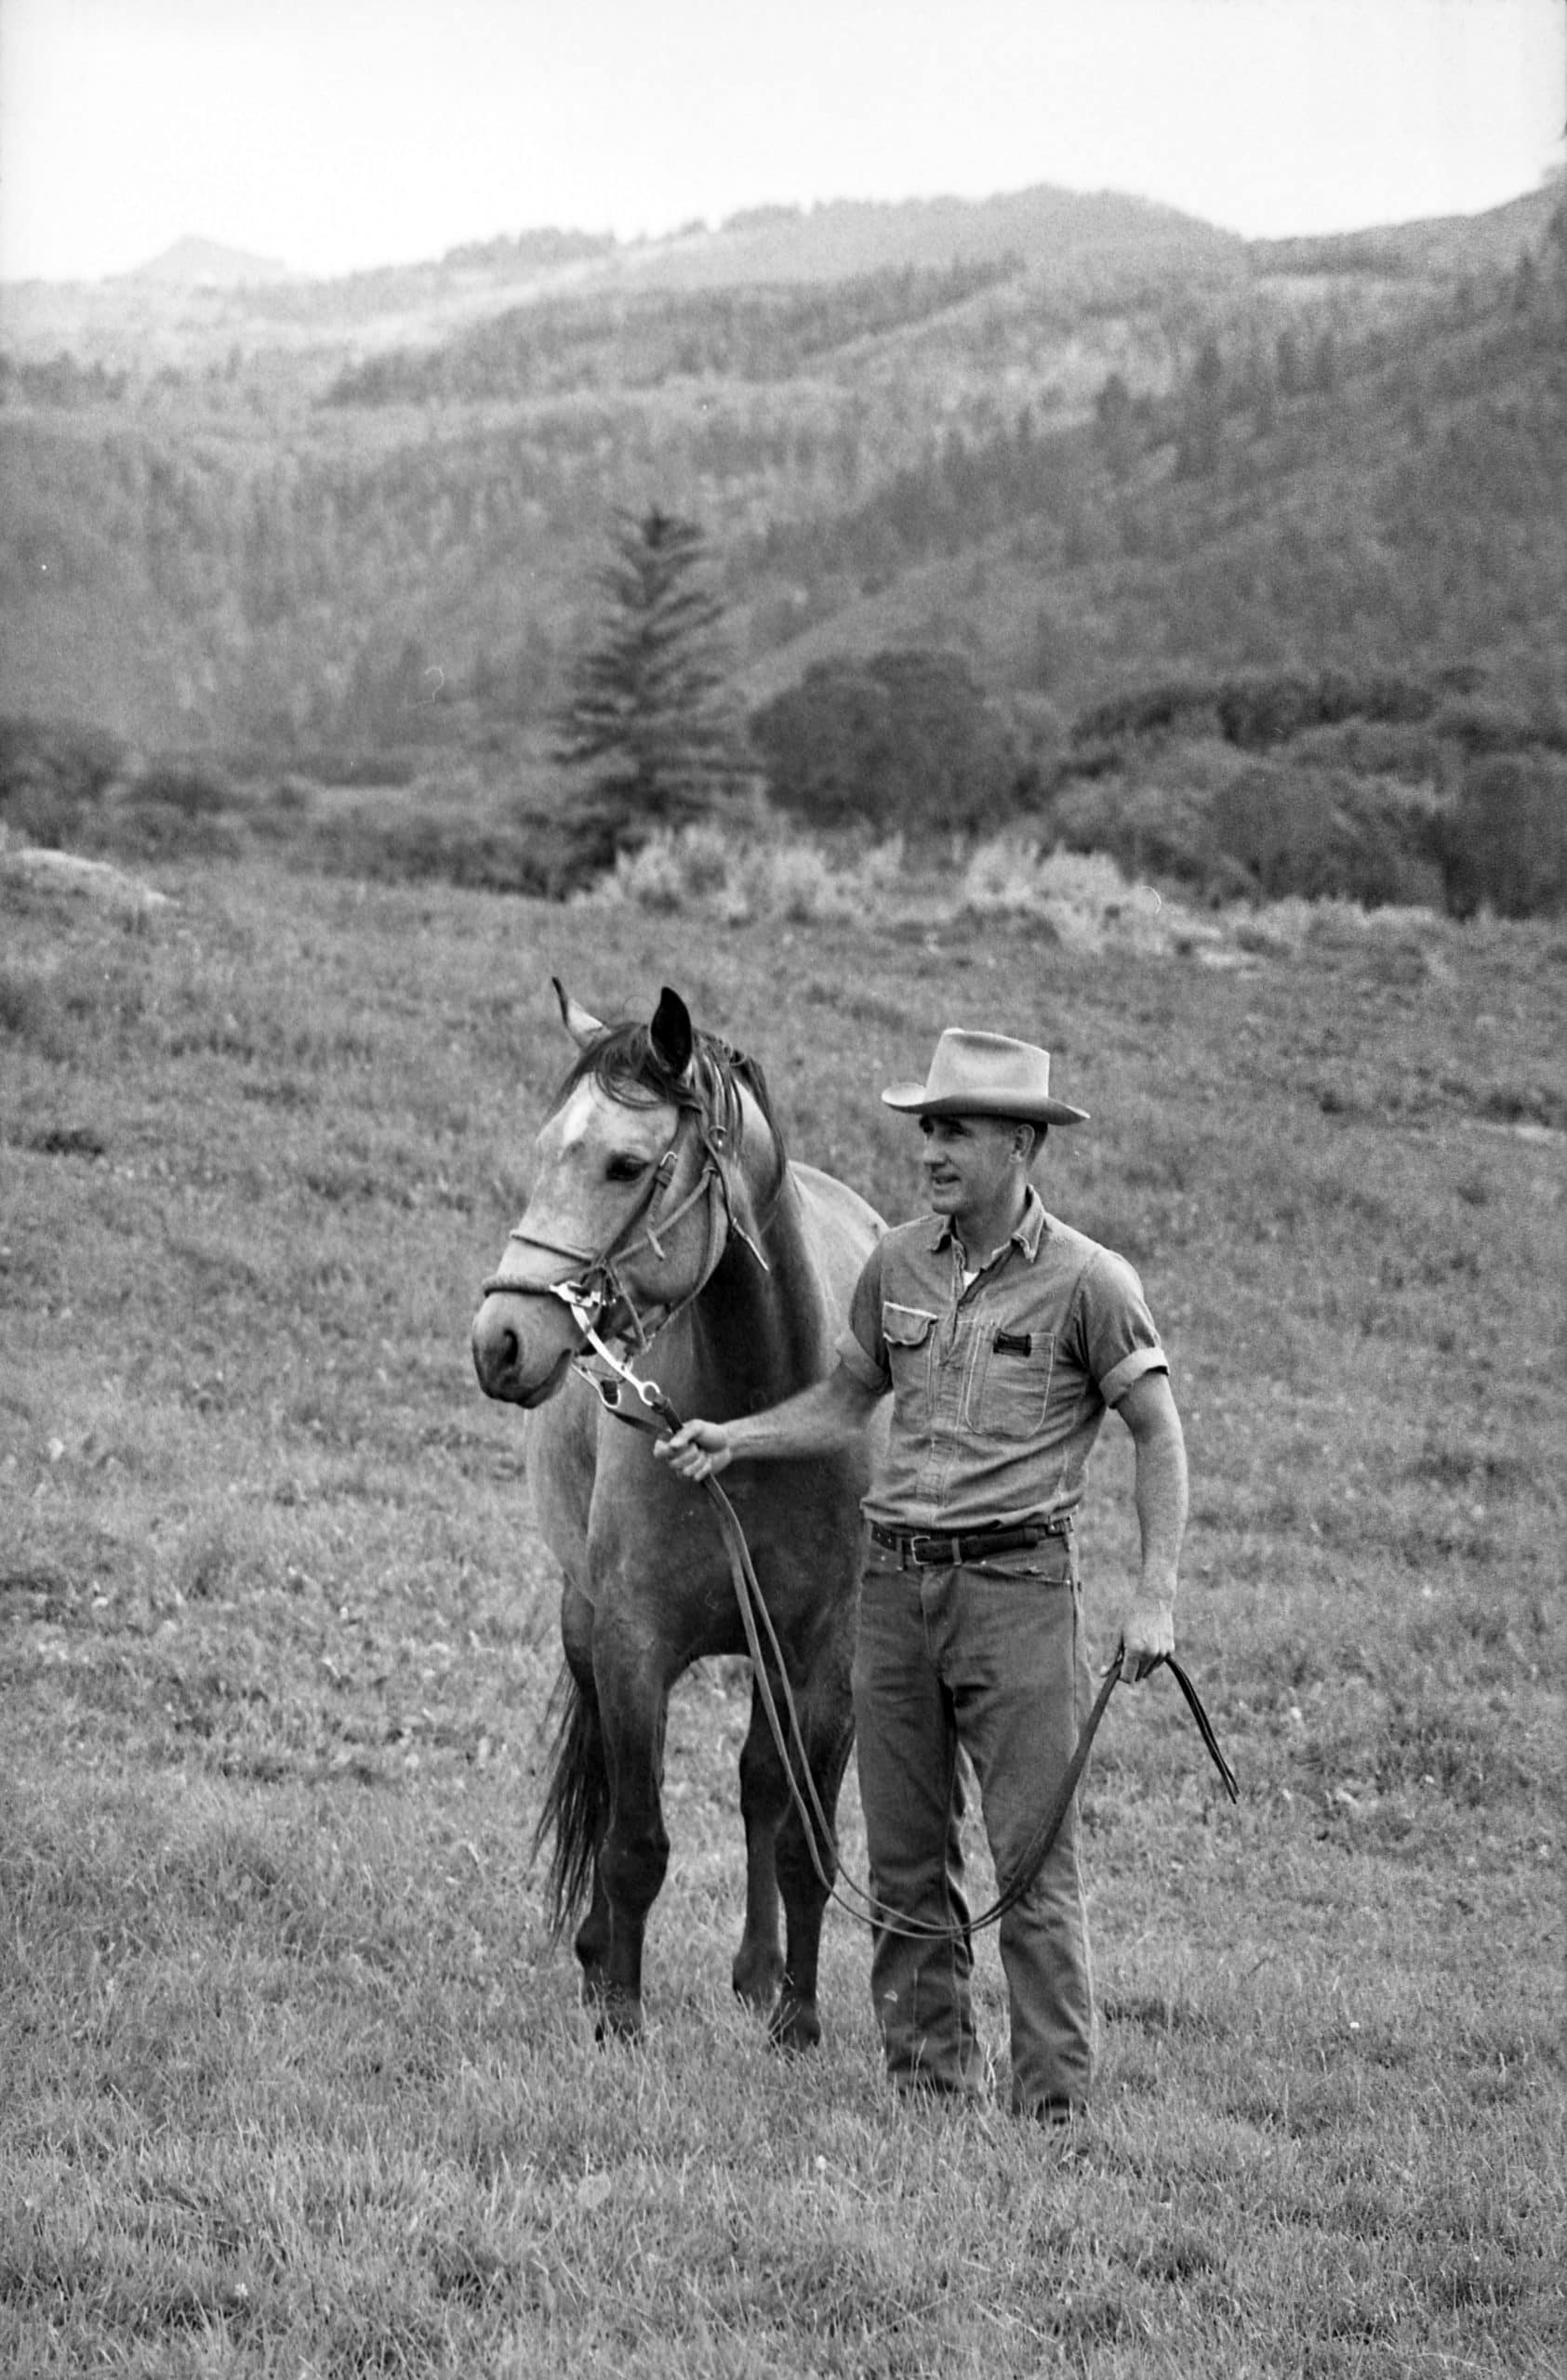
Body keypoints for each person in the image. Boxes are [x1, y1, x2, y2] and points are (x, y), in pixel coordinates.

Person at [656, 1026, 1188, 2123]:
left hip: (1018, 1595)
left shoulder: (1091, 1282)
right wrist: (736, 1438)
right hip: (892, 1591)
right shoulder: (895, 1261)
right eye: (927, 1128)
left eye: (955, 1129)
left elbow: (1158, 1431)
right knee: (903, 1861)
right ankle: (930, 2090)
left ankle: (1050, 2112)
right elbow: (845, 1399)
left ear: (1021, 1144)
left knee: (1030, 1868)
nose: (932, 1149)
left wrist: (1155, 1595)